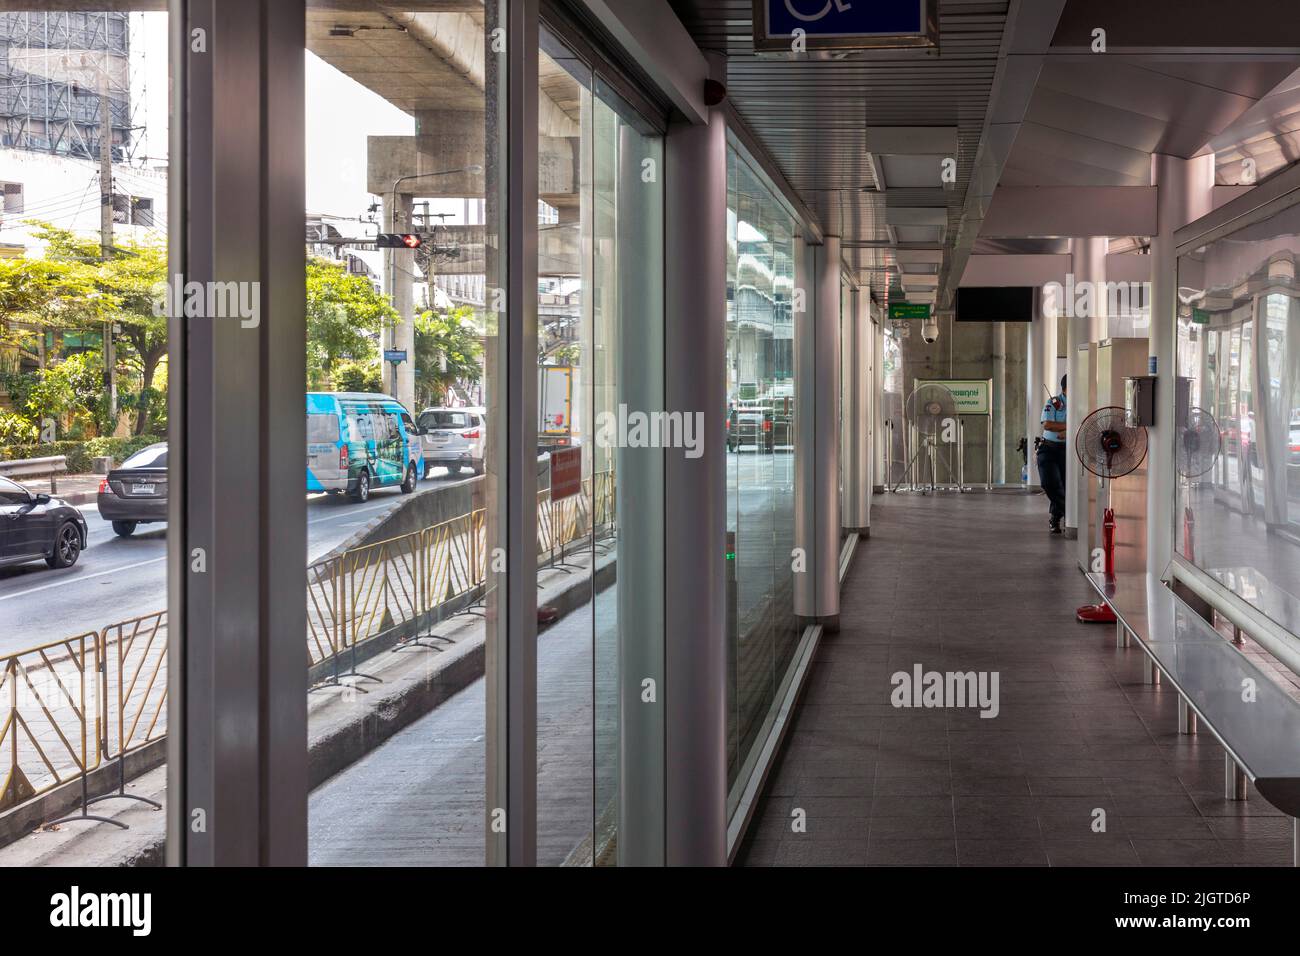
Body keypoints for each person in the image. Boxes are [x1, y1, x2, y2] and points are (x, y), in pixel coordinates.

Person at [1037, 374, 1068, 533]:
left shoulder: (1082, 402)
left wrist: (1064, 430)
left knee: (1063, 485)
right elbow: (1048, 425)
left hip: (1068, 450)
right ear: (1065, 388)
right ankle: (1069, 512)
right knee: (1049, 483)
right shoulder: (1054, 403)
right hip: (1049, 448)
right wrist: (1069, 427)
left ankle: (1056, 517)